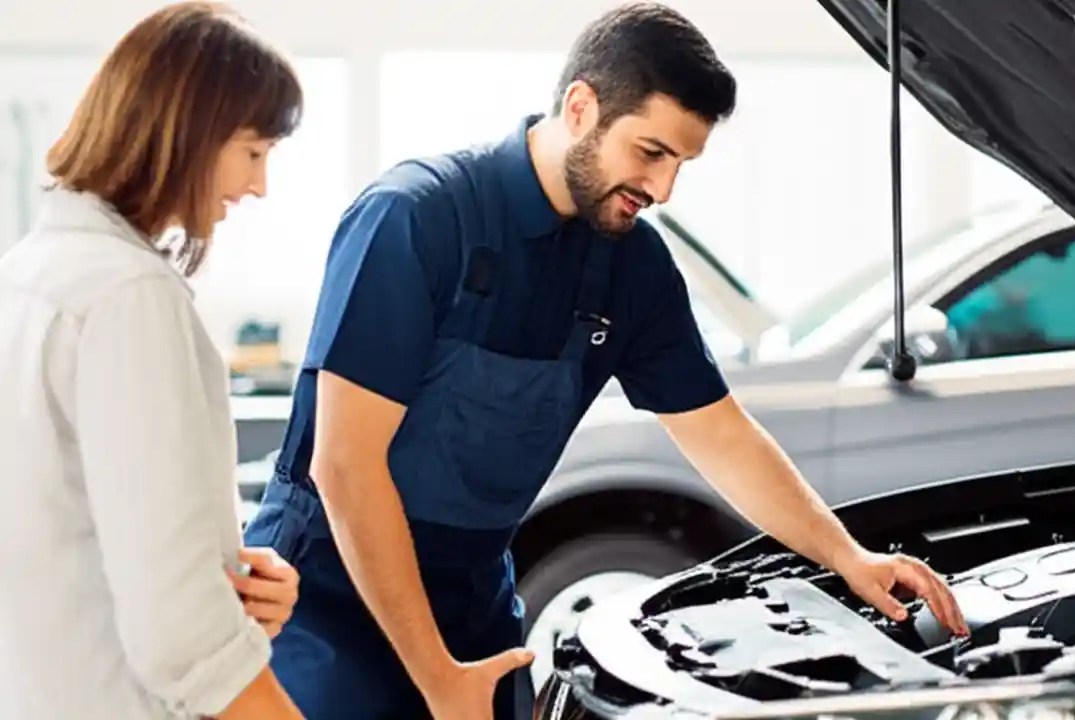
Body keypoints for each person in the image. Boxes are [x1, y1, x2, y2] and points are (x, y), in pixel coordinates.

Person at [245, 2, 970, 718]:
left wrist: (848, 558)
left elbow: (719, 434)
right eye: (651, 153)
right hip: (323, 594)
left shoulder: (635, 268)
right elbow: (344, 468)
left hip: (472, 596)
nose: (662, 190)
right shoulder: (416, 218)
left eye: (681, 164)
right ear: (582, 106)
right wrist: (437, 676)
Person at [0, 3, 308, 719]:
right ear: (186, 136)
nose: (258, 185)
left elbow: (70, 527)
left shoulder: (28, 273)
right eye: (253, 152)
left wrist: (226, 573)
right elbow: (180, 632)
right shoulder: (129, 296)